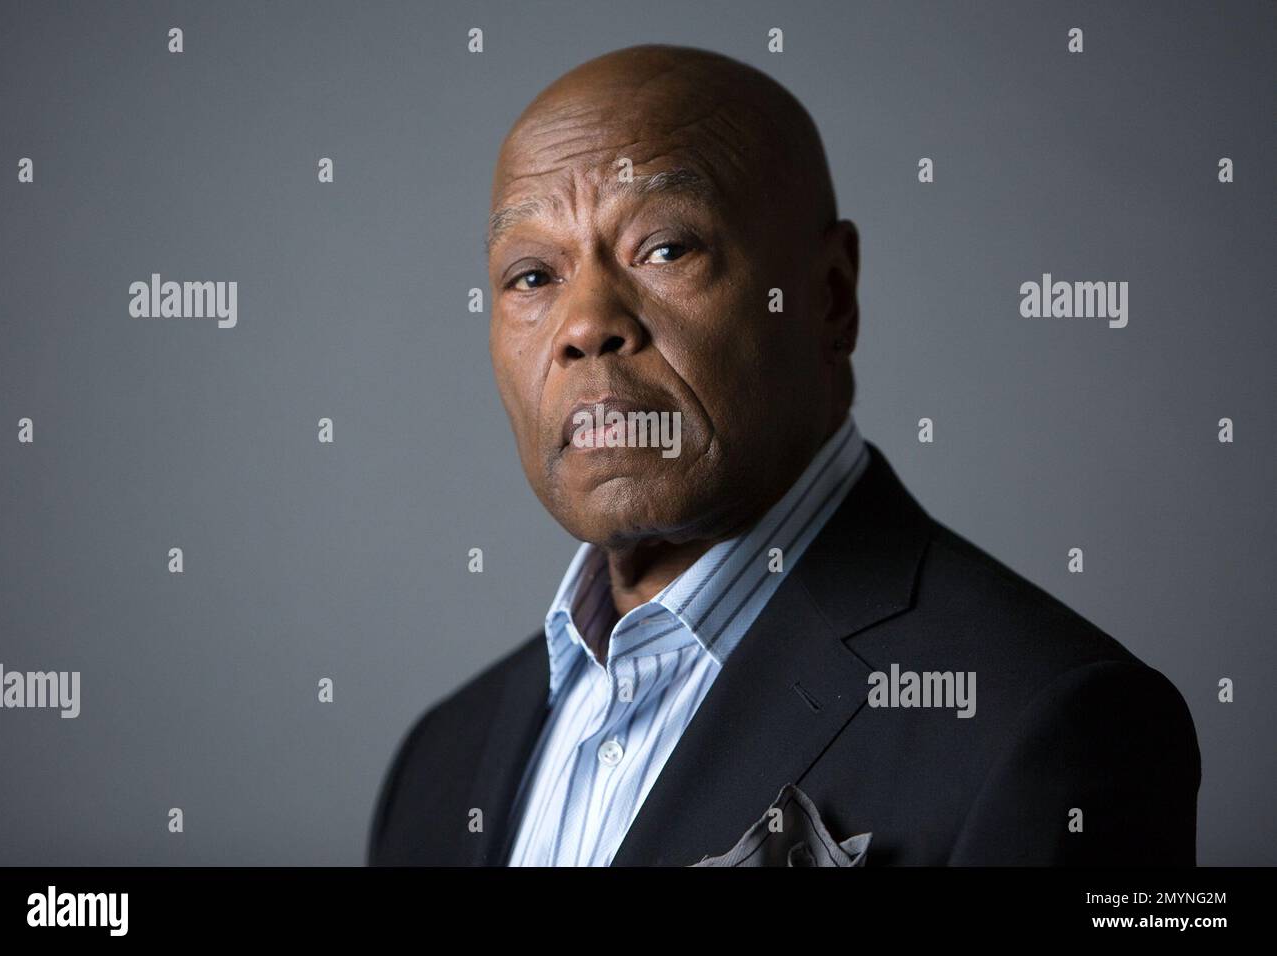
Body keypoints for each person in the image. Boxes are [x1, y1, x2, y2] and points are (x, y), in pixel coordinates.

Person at [368, 44, 1200, 866]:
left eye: (665, 249)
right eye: (531, 276)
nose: (586, 323)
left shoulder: (1048, 724)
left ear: (831, 297)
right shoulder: (439, 764)